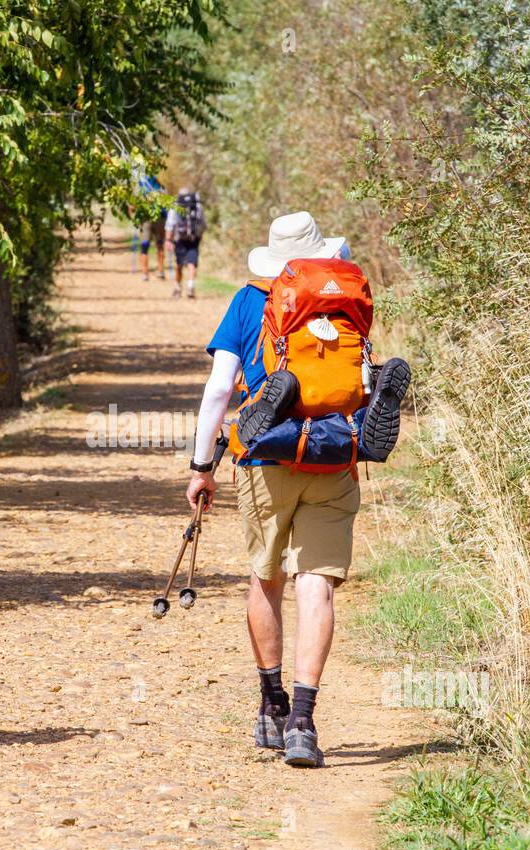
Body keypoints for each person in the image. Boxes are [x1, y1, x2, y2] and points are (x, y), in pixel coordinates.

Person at [185, 211, 369, 768]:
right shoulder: (345, 294)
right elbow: (358, 378)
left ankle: (271, 704)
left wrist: (201, 465)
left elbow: (220, 389)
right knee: (317, 586)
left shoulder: (247, 300)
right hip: (333, 453)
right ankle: (304, 723)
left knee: (265, 579)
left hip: (266, 456)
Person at [166, 186, 205, 299]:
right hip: (194, 239)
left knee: (179, 264)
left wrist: (168, 240)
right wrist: (199, 236)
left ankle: (178, 288)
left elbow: (170, 224)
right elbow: (203, 224)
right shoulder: (197, 206)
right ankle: (190, 286)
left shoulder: (176, 206)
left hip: (179, 239)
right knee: (191, 263)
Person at [137, 175, 168, 283]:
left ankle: (145, 273)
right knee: (160, 245)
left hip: (146, 220)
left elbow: (133, 206)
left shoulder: (141, 187)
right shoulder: (162, 188)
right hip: (160, 219)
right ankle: (160, 271)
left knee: (145, 246)